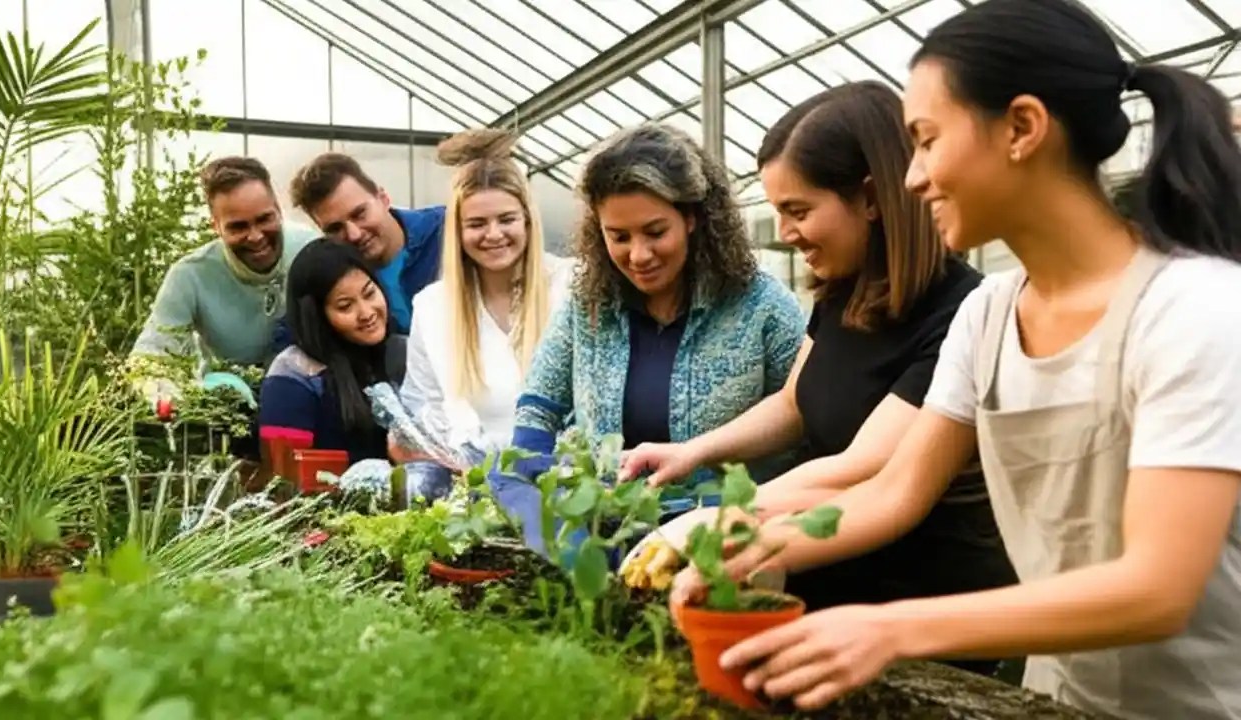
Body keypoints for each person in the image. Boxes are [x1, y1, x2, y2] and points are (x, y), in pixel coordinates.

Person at [670, 1, 1241, 717]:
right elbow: (891, 496)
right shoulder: (990, 315)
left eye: (927, 140)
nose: (911, 178)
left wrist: (890, 629)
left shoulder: (1196, 308)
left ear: (1023, 129)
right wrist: (745, 543)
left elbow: (1158, 588)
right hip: (1057, 697)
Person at [619, 82, 1017, 675]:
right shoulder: (843, 294)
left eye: (798, 210)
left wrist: (723, 517)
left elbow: (865, 467)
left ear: (872, 199)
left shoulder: (960, 313)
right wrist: (691, 452)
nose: (783, 232)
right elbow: (792, 405)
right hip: (826, 582)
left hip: (924, 615)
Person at [491, 122, 807, 556]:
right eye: (618, 237)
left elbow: (805, 416)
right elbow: (538, 408)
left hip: (720, 537)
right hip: (604, 533)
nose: (638, 255)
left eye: (656, 232)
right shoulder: (588, 303)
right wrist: (535, 485)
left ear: (693, 218)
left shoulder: (761, 306)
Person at [400, 128, 573, 457]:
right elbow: (424, 406)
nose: (494, 235)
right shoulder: (434, 308)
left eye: (506, 219)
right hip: (482, 489)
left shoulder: (570, 285)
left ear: (527, 221)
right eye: (477, 224)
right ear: (458, 231)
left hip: (574, 483)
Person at [129, 156, 319, 406]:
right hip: (231, 405)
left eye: (264, 219)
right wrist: (165, 395)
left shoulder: (312, 250)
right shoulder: (190, 276)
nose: (256, 236)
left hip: (310, 399)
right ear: (216, 227)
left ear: (279, 211)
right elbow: (150, 356)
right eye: (238, 227)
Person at [258, 241, 407, 465]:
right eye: (345, 306)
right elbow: (285, 480)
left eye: (369, 293)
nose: (367, 313)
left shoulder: (406, 351)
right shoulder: (293, 375)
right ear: (317, 316)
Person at [289, 152, 445, 333]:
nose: (354, 234)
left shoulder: (447, 231)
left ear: (383, 198)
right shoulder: (332, 273)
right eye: (335, 228)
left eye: (359, 214)